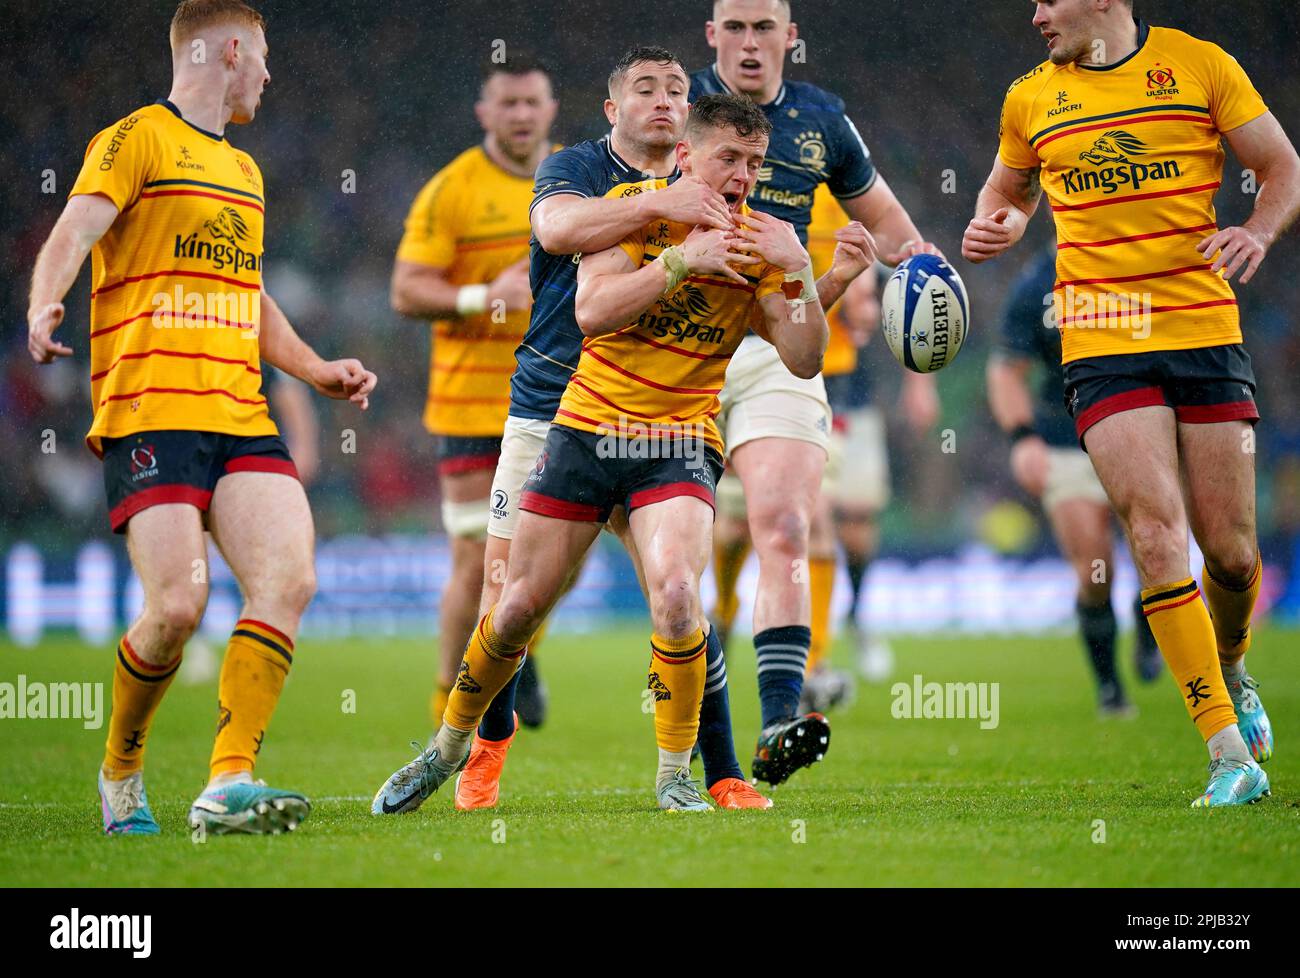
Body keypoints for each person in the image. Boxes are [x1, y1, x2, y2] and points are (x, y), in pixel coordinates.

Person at [373, 93, 862, 815]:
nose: (741, 176)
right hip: (586, 428)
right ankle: (446, 750)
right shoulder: (632, 206)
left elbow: (799, 356)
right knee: (514, 611)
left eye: (754, 164)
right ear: (688, 157)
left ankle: (674, 776)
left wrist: (803, 274)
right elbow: (591, 311)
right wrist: (682, 261)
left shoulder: (766, 238)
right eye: (728, 158)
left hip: (679, 441)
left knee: (674, 595)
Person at [24, 0, 377, 835]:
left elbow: (249, 298)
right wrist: (44, 302)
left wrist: (317, 369)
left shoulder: (246, 172)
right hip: (152, 406)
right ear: (227, 51)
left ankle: (227, 782)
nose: (268, 74)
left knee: (288, 581)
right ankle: (121, 768)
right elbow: (75, 228)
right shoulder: (135, 137)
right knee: (178, 606)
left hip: (239, 409)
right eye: (262, 58)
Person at [963, 0, 1300, 806]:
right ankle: (1226, 755)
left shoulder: (1200, 65)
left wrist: (1256, 229)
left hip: (1201, 328)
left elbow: (1282, 167)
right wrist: (1000, 224)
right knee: (1154, 533)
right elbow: (1004, 193)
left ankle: (1232, 665)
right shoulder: (1030, 97)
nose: (1037, 14)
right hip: (1101, 338)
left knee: (1234, 555)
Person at [693, 0, 938, 783]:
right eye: (735, 27)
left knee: (787, 526)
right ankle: (484, 716)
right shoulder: (676, 107)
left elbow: (888, 217)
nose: (750, 43)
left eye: (766, 27)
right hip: (679, 344)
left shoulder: (823, 121)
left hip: (778, 341)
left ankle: (776, 723)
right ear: (712, 37)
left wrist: (928, 267)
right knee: (664, 565)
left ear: (791, 37)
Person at [390, 55, 558, 733]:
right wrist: (480, 298)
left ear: (551, 109)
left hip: (556, 399)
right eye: (507, 103)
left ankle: (521, 655)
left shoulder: (574, 182)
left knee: (555, 555)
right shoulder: (452, 189)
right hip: (470, 405)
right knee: (472, 561)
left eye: (531, 102)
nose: (520, 115)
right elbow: (405, 290)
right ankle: (444, 713)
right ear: (485, 113)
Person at [987, 243, 1161, 717]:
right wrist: (1022, 437)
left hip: (1141, 434)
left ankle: (1152, 631)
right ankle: (1110, 688)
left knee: (1156, 552)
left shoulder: (1142, 262)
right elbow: (1007, 370)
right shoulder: (1037, 283)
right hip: (1066, 439)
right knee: (1093, 570)